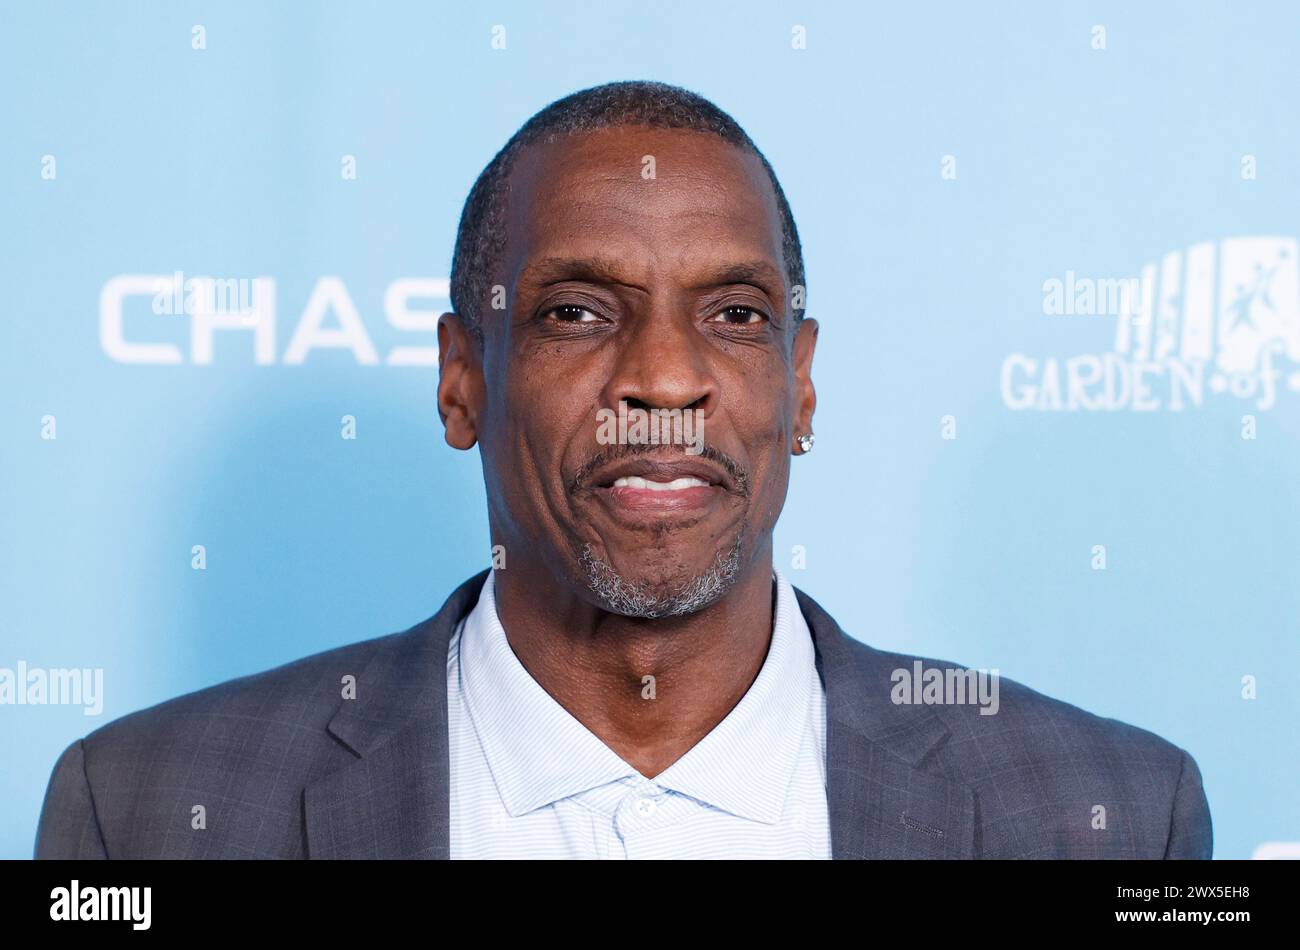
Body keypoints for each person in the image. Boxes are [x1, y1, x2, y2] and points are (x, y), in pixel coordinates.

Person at [35, 80, 1211, 859]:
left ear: (799, 385)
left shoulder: (1102, 814)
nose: (663, 378)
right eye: (578, 311)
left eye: (737, 314)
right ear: (462, 379)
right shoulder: (145, 809)